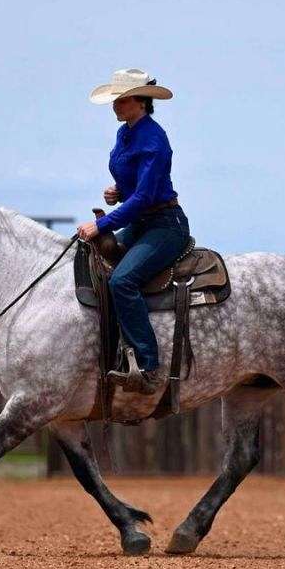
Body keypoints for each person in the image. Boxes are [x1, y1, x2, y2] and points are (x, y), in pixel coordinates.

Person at [76, 68, 190, 395]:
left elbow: (147, 196)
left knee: (122, 281)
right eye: (115, 99)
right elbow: (138, 189)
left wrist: (101, 223)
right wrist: (118, 192)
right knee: (92, 260)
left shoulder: (154, 139)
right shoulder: (125, 132)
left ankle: (148, 365)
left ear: (140, 101)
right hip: (141, 222)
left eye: (122, 99)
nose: (116, 105)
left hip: (165, 226)